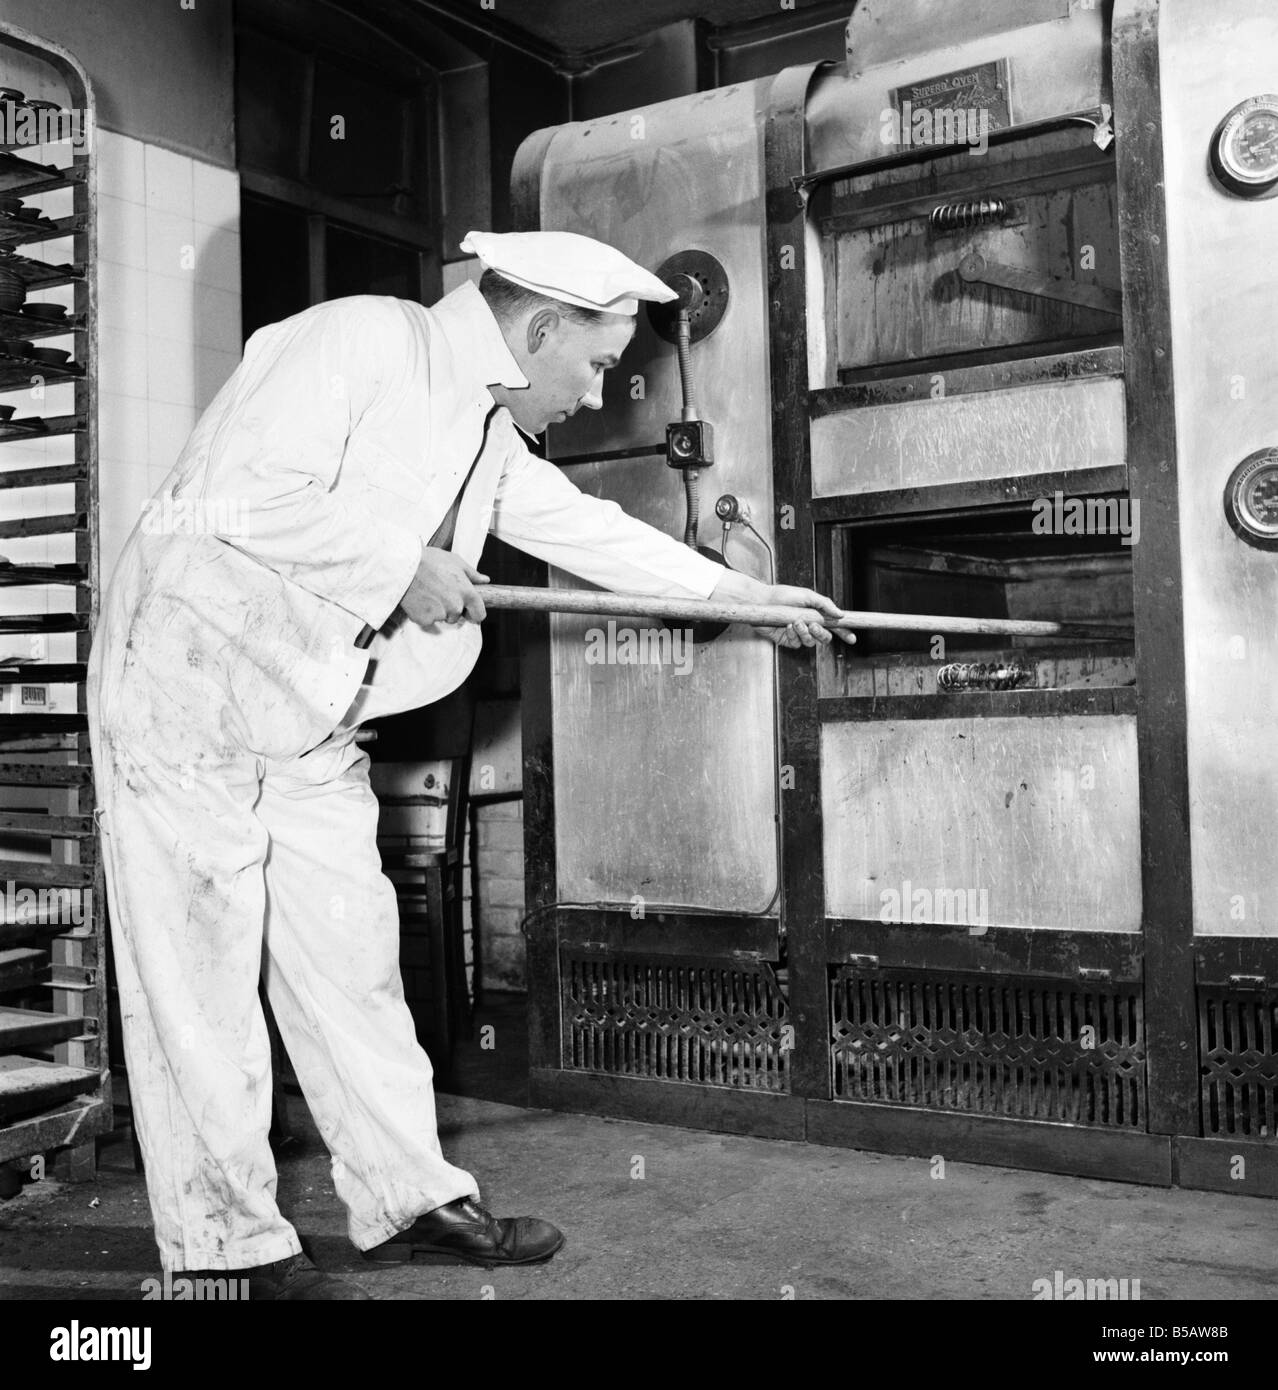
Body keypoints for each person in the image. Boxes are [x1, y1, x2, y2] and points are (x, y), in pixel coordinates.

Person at [88, 229, 852, 1299]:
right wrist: (400, 566)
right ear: (538, 329)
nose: (595, 395)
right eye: (593, 366)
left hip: (306, 710)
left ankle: (408, 1199)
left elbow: (584, 530)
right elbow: (234, 493)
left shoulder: (484, 436)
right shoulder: (361, 340)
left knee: (352, 959)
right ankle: (226, 1247)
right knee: (199, 970)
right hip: (185, 683)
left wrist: (742, 597)